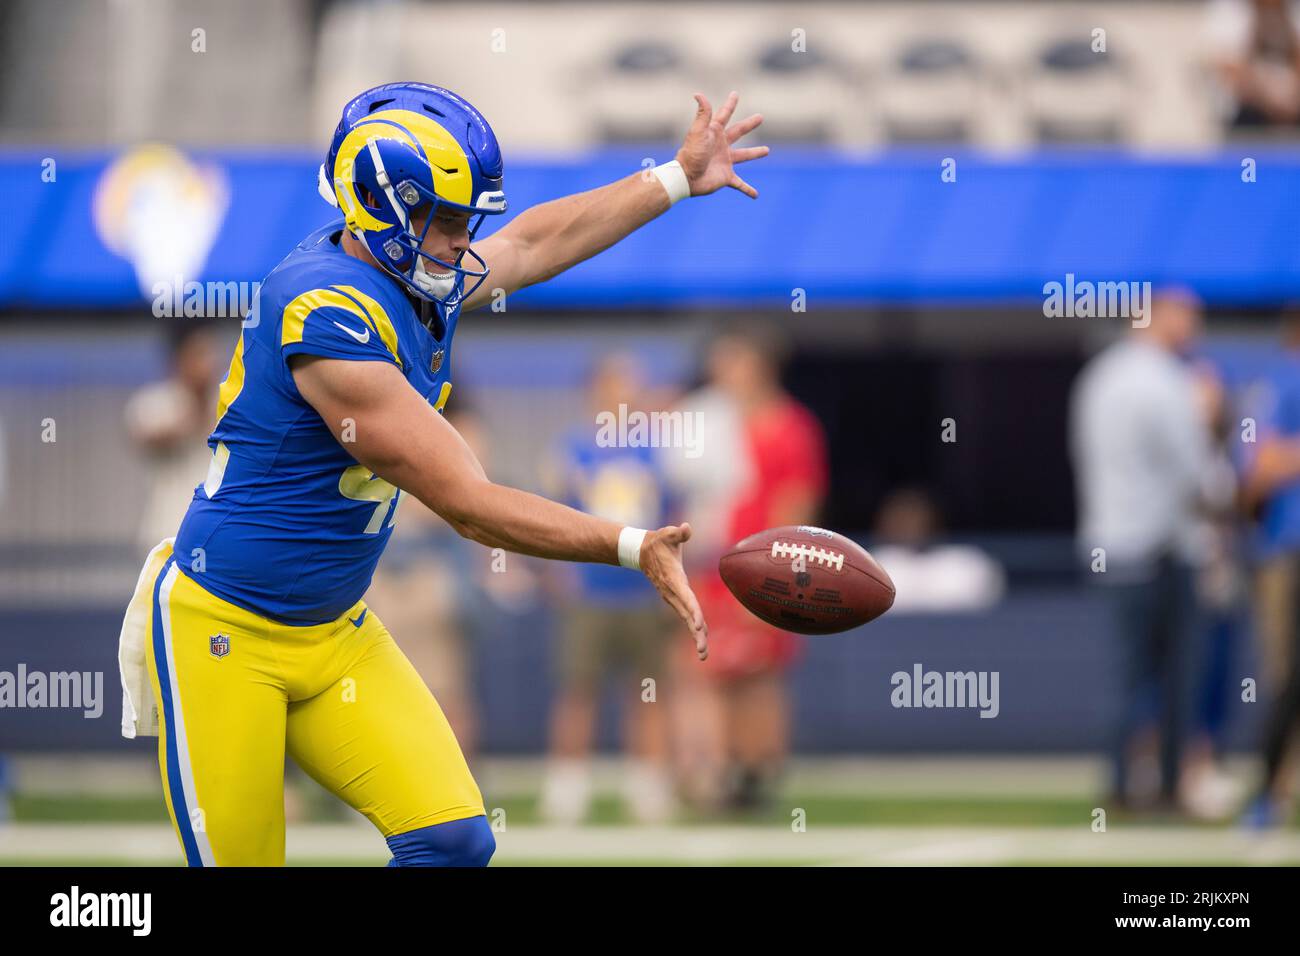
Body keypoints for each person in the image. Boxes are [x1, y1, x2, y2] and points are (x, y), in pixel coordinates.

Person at [117, 82, 768, 866]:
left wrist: (671, 179)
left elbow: (531, 243)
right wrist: (630, 544)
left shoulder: (409, 273)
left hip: (332, 629)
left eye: (466, 222)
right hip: (225, 628)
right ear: (382, 213)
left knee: (455, 843)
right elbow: (467, 502)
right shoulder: (324, 313)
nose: (464, 242)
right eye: (449, 222)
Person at [670, 326, 828, 811]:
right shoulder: (714, 423)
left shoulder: (791, 428)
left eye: (732, 362)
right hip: (711, 569)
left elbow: (796, 510)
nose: (722, 373)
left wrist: (778, 583)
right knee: (705, 672)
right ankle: (714, 774)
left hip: (761, 573)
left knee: (758, 676)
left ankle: (758, 775)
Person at [1069, 289, 1213, 813]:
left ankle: (1119, 785)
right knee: (1175, 676)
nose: (1195, 326)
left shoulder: (1099, 376)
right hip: (1162, 548)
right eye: (1188, 316)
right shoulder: (1168, 380)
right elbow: (1192, 472)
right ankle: (1169, 785)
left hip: (1111, 544)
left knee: (1124, 676)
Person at [539, 354, 678, 825]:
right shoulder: (574, 447)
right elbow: (550, 515)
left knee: (649, 691)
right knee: (578, 688)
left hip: (644, 589)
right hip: (591, 590)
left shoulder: (657, 450)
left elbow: (675, 518)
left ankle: (649, 786)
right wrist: (560, 574)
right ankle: (568, 788)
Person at [1238, 309, 1300, 826]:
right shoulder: (1278, 384)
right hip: (1288, 551)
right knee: (1286, 675)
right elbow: (1257, 469)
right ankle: (1271, 793)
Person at [1206, 0, 1300, 131]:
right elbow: (1233, 72)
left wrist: (1290, 101)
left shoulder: (1293, 9)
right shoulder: (1231, 9)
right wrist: (1270, 102)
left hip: (1293, 107)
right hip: (1249, 110)